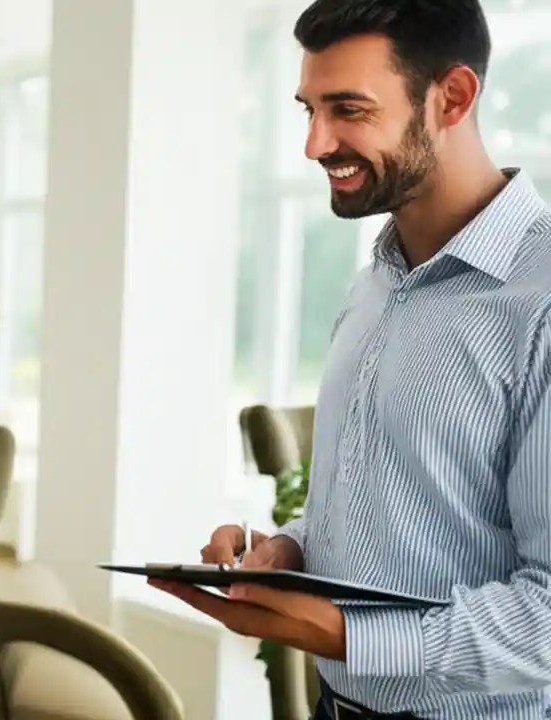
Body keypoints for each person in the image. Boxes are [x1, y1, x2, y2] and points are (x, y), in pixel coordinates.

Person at [152, 1, 551, 717]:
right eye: (308, 108)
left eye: (348, 110)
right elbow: (396, 506)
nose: (313, 143)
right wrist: (292, 551)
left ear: (452, 98)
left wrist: (347, 636)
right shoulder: (375, 282)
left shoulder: (541, 301)